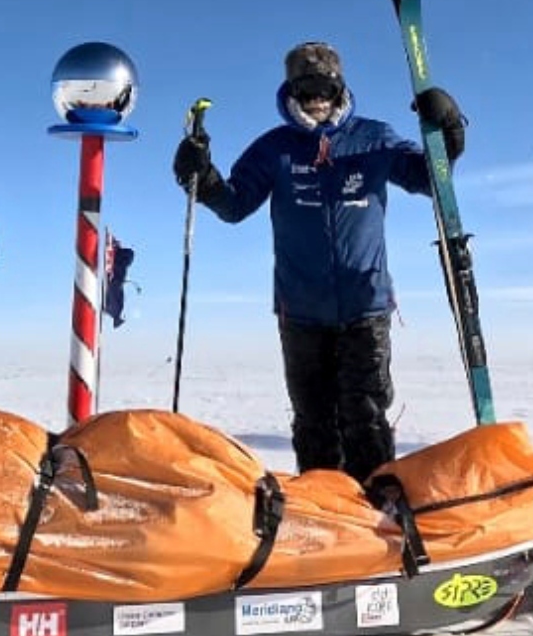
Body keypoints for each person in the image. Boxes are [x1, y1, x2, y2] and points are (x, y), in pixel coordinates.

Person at [171, 41, 465, 482]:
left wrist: (448, 129)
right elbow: (233, 206)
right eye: (306, 88)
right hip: (301, 311)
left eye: (325, 86)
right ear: (291, 91)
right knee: (314, 423)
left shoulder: (374, 138)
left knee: (366, 418)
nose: (317, 98)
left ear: (340, 86)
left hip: (366, 307)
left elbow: (430, 179)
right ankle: (321, 520)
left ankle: (377, 515)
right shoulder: (274, 149)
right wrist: (202, 177)